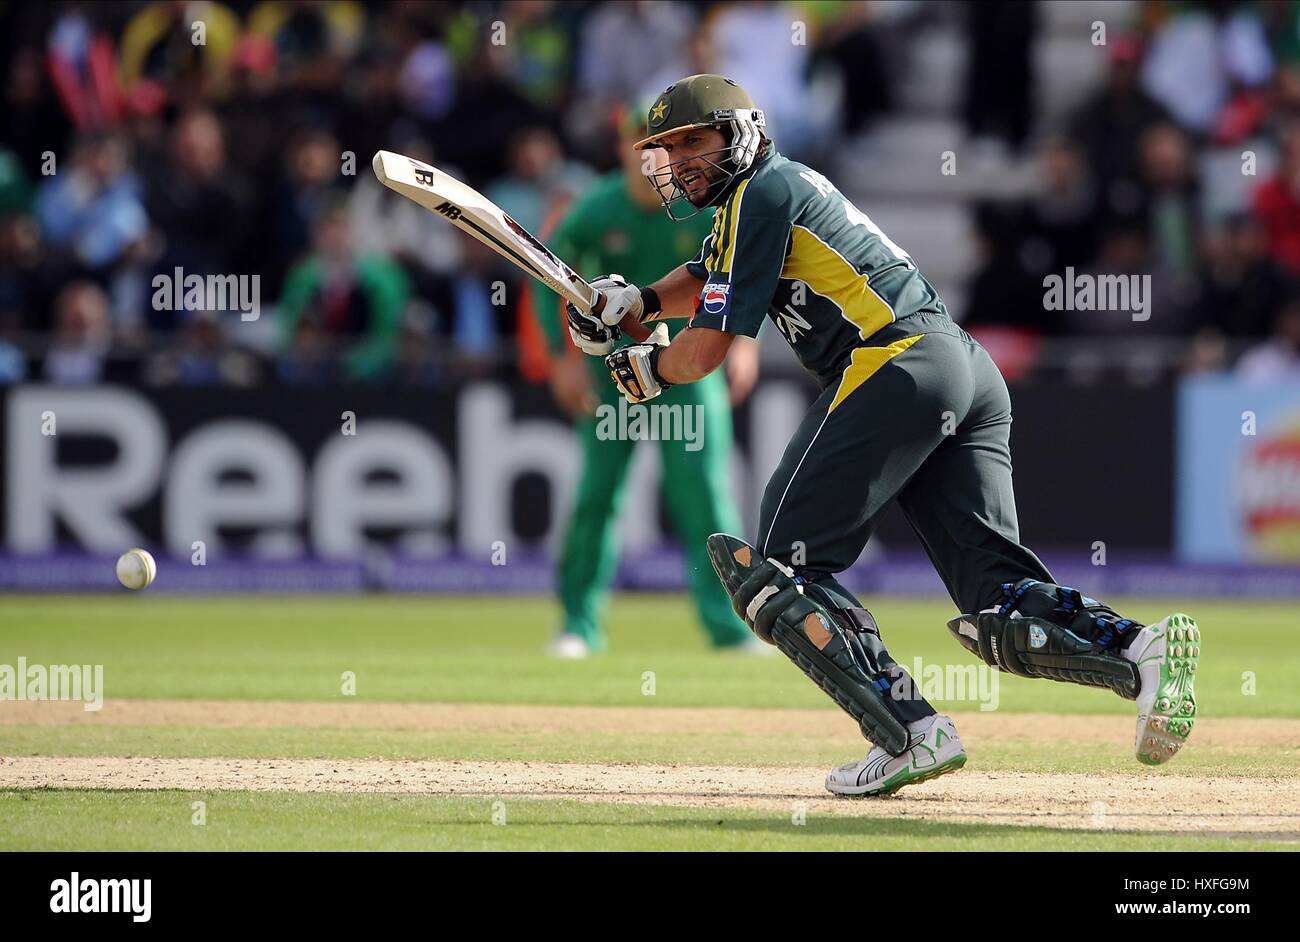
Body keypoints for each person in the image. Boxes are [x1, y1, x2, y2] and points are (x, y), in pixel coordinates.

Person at [566, 75, 1200, 796]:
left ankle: (908, 733)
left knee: (781, 568)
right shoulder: (768, 195)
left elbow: (706, 349)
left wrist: (649, 367)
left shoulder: (759, 194)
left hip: (894, 361)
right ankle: (1141, 650)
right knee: (998, 601)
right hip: (961, 367)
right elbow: (708, 274)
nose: (682, 161)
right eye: (670, 149)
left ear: (740, 133)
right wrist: (640, 300)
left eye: (695, 141)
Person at [531, 103, 760, 657]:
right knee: (597, 497)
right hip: (611, 374)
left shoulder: (698, 205)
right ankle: (578, 625)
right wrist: (562, 359)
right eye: (642, 141)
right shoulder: (596, 208)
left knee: (704, 497)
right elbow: (547, 277)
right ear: (622, 148)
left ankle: (729, 629)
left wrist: (744, 344)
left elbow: (742, 273)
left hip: (686, 366)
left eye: (664, 143)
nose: (653, 155)